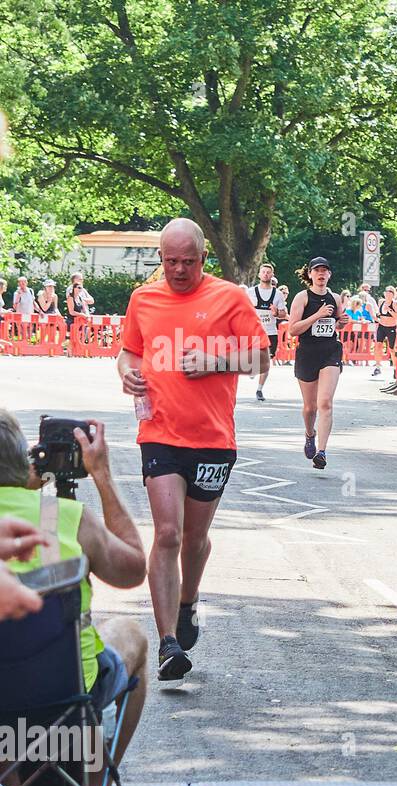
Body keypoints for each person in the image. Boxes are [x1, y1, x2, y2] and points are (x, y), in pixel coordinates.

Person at [116, 217, 268, 679]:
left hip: (213, 438)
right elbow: (129, 350)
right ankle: (167, 644)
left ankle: (189, 600)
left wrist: (216, 361)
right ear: (159, 258)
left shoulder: (229, 297)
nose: (178, 270)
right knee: (167, 533)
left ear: (203, 256)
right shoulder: (144, 297)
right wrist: (125, 370)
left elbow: (262, 358)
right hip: (159, 432)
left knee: (195, 539)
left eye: (187, 261)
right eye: (169, 261)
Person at [0, 413, 149, 786]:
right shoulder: (61, 517)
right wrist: (102, 476)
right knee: (131, 635)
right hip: (60, 702)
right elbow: (134, 569)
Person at [286, 257, 344, 470]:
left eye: (325, 271)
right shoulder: (302, 297)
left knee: (325, 403)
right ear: (309, 274)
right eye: (317, 271)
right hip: (307, 352)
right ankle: (310, 434)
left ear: (329, 275)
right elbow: (293, 329)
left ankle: (322, 451)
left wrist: (343, 322)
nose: (321, 274)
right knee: (310, 407)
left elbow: (337, 324)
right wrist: (317, 316)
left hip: (330, 351)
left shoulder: (335, 298)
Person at [246, 262, 287, 401]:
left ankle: (259, 389)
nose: (266, 274)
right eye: (263, 272)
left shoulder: (278, 294)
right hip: (254, 331)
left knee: (267, 360)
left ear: (272, 275)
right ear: (259, 274)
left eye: (268, 272)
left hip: (271, 331)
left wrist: (276, 313)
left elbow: (283, 314)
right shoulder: (250, 292)